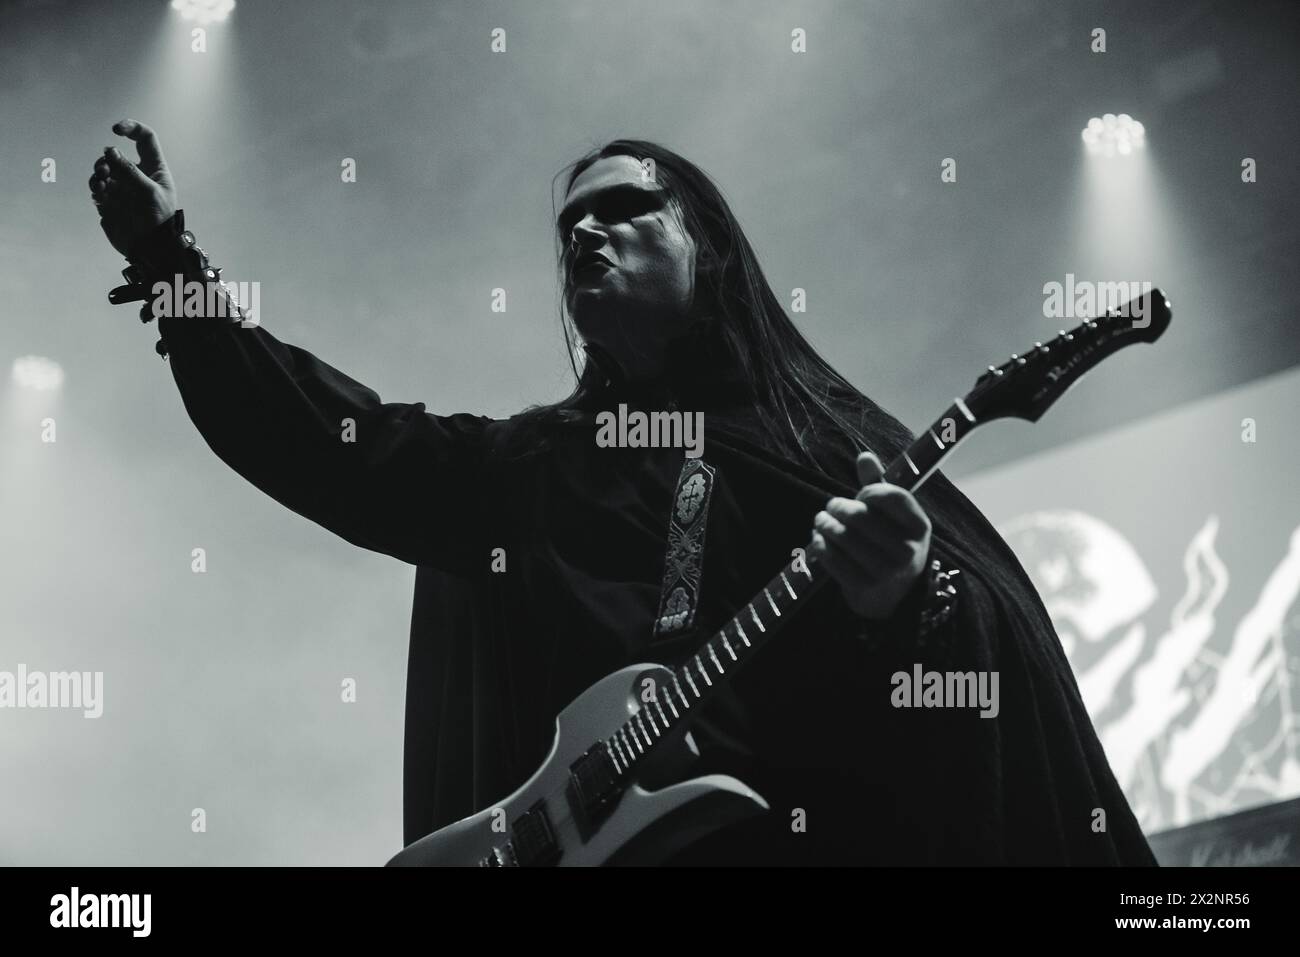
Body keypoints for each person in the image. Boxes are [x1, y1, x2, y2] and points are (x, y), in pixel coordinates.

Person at [90, 121, 1158, 866]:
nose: (581, 236)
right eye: (566, 230)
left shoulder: (827, 446)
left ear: (711, 250)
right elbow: (335, 444)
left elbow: (972, 704)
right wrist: (173, 263)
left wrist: (908, 604)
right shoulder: (537, 468)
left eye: (622, 211)